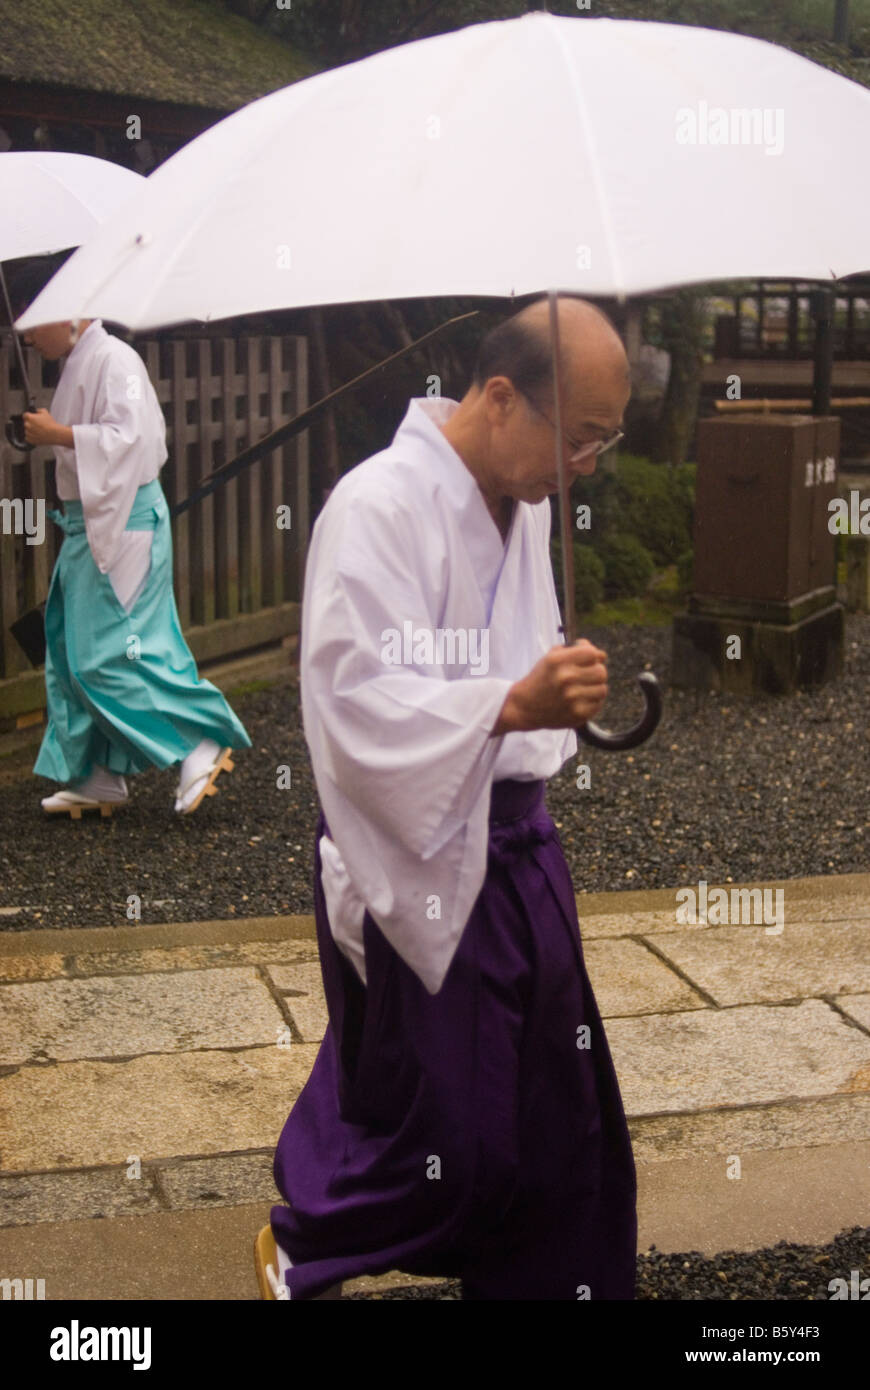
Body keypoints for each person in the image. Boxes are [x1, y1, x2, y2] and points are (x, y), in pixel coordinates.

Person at [258, 295, 636, 1302]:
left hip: (524, 848)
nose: (589, 463)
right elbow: (352, 700)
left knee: (560, 1115)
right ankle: (308, 1240)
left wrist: (552, 693)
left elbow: (522, 666)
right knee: (459, 1136)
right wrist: (511, 700)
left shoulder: (532, 503)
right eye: (584, 437)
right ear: (503, 396)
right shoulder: (377, 506)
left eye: (607, 440)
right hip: (421, 849)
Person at [16, 290, 251, 817]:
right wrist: (61, 435)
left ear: (71, 311)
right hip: (96, 520)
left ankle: (196, 744)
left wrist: (58, 432)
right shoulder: (84, 359)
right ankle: (97, 773)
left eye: (35, 323)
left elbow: (131, 438)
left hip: (124, 522)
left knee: (112, 655)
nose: (29, 336)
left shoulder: (115, 357)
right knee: (72, 651)